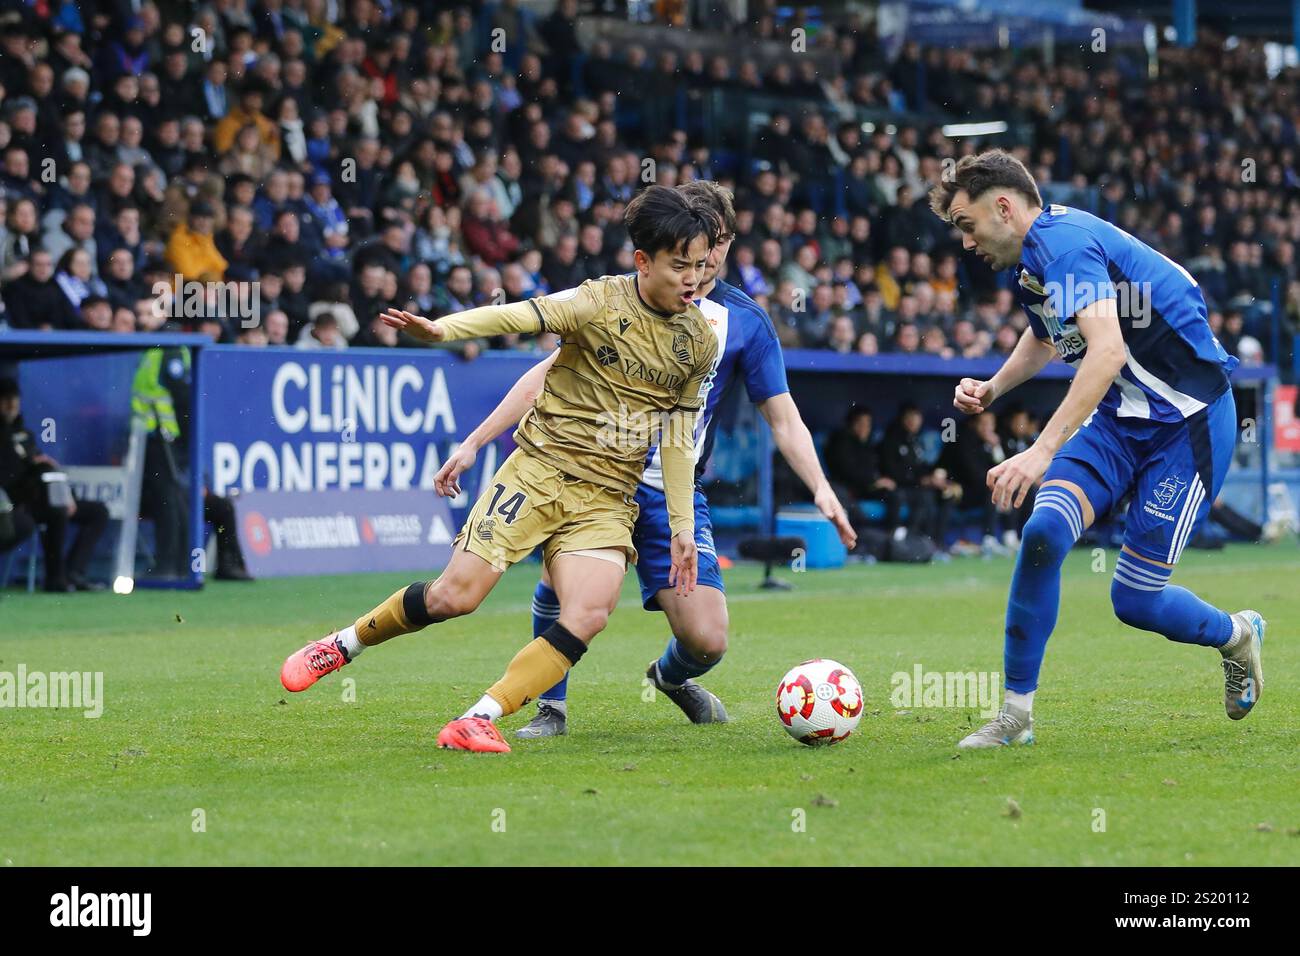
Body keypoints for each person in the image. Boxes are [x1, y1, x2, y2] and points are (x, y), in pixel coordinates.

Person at [278, 185, 722, 753]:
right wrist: (443, 329)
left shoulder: (698, 343)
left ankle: (478, 717)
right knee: (453, 598)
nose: (692, 278)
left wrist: (682, 527)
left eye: (700, 265)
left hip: (609, 497)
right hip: (539, 470)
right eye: (679, 265)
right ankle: (343, 644)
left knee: (589, 612)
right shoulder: (597, 303)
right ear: (643, 261)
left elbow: (680, 440)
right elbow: (520, 312)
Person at [435, 181, 856, 738]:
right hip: (593, 472)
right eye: (689, 246)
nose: (701, 258)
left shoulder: (744, 323)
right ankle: (550, 707)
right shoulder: (619, 301)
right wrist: (478, 440)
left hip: (668, 492)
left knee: (707, 640)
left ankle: (671, 677)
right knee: (568, 591)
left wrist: (820, 487)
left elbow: (782, 415)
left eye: (714, 243)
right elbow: (546, 375)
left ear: (725, 243)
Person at [933, 149, 1264, 749]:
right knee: (1043, 534)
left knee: (1134, 600)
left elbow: (1106, 351)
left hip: (1186, 425)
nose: (965, 243)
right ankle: (1015, 716)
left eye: (966, 225)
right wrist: (994, 387)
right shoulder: (1038, 257)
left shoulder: (1064, 245)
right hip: (1119, 419)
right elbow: (1046, 334)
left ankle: (1235, 633)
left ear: (1003, 207)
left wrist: (1039, 450)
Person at [0, 377, 108, 592]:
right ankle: (55, 579)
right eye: (5, 400)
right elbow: (11, 477)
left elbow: (45, 469)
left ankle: (74, 572)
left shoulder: (25, 435)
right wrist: (32, 466)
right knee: (55, 512)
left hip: (46, 496)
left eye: (15, 399)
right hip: (20, 502)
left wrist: (64, 493)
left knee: (98, 511)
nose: (11, 405)